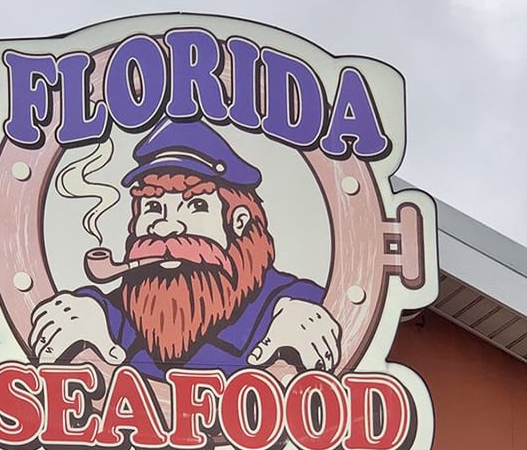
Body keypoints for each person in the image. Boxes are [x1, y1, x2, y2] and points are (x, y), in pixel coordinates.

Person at [29, 118, 341, 381]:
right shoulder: (122, 313)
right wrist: (85, 309)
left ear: (239, 221)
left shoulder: (282, 306)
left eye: (196, 205)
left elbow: (310, 306)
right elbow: (108, 309)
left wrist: (313, 316)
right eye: (153, 207)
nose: (166, 227)